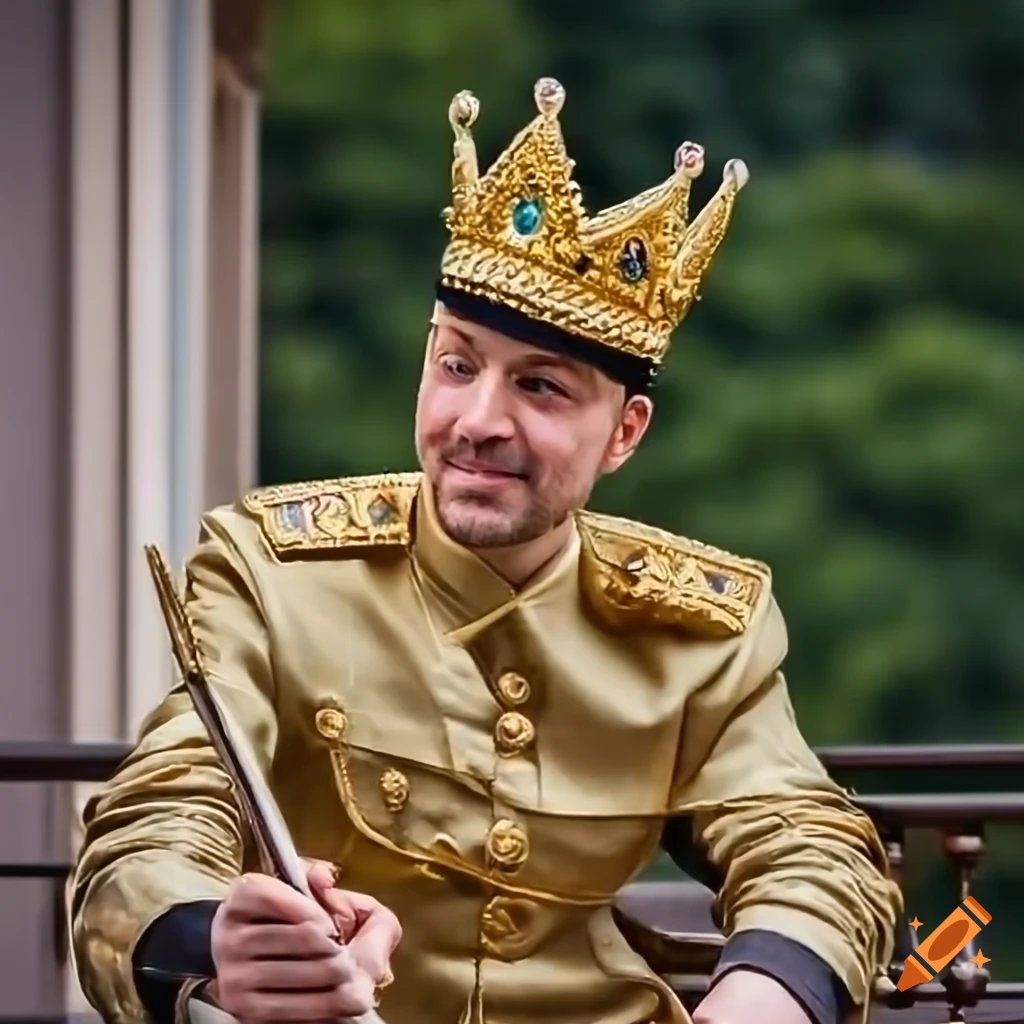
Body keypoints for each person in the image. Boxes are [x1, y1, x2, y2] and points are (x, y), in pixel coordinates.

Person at [68, 77, 902, 1024]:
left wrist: (767, 995)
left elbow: (810, 848)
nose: (477, 421)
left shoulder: (702, 631)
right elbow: (155, 822)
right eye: (457, 365)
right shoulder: (270, 573)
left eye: (541, 387)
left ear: (625, 433)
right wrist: (211, 944)